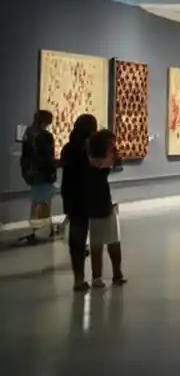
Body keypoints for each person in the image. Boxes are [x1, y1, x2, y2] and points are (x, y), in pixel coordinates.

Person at [60, 114, 97, 292]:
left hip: (71, 197)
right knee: (88, 236)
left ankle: (78, 278)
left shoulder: (68, 148)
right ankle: (93, 276)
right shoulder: (89, 149)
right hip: (87, 196)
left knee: (76, 240)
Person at [86, 129, 125, 288]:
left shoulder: (89, 158)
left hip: (96, 203)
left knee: (98, 242)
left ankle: (100, 277)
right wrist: (113, 152)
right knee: (112, 241)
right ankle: (114, 275)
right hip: (102, 204)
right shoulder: (97, 162)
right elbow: (110, 162)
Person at [19, 110, 58, 244]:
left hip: (33, 175)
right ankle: (42, 231)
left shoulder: (28, 133)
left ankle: (37, 230)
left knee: (36, 203)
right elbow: (48, 157)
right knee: (44, 203)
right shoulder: (45, 136)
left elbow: (25, 156)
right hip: (45, 174)